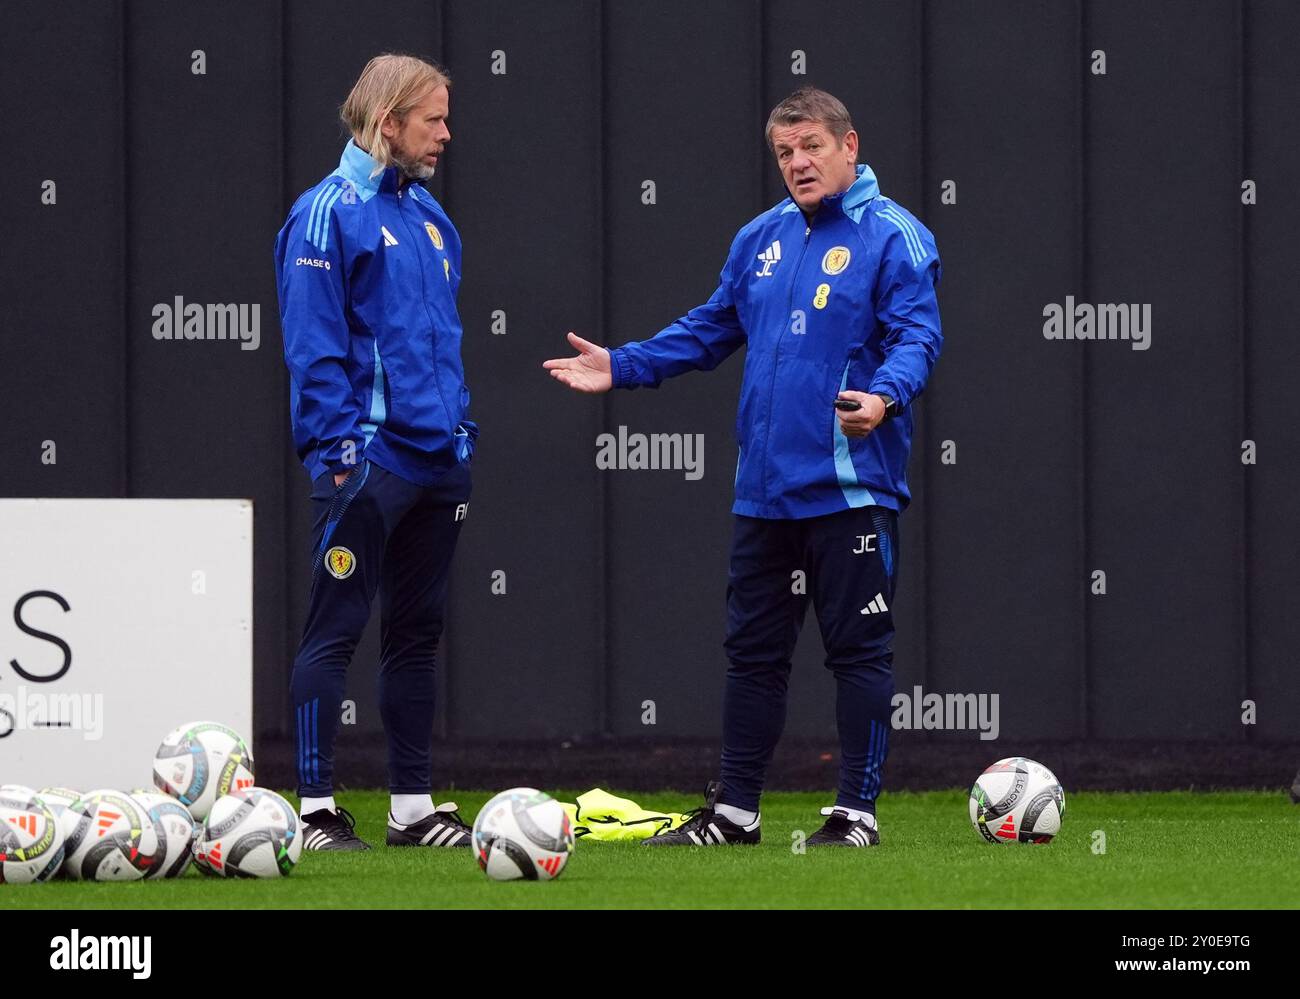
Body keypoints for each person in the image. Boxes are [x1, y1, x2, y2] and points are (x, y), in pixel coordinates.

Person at [544, 87, 942, 847]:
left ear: (849, 146)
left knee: (858, 651)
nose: (798, 163)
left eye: (811, 147)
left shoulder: (896, 237)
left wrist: (884, 398)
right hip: (763, 494)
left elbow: (918, 338)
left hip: (849, 487)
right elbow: (710, 328)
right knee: (753, 656)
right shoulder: (759, 237)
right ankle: (734, 814)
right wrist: (622, 365)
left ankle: (854, 813)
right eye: (785, 153)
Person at [274, 53, 477, 851]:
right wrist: (339, 452)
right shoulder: (325, 213)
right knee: (334, 633)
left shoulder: (431, 217)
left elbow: (440, 344)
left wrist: (461, 432)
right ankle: (316, 811)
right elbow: (313, 349)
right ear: (388, 122)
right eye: (433, 119)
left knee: (418, 634)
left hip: (439, 461)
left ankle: (411, 809)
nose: (446, 134)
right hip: (369, 464)